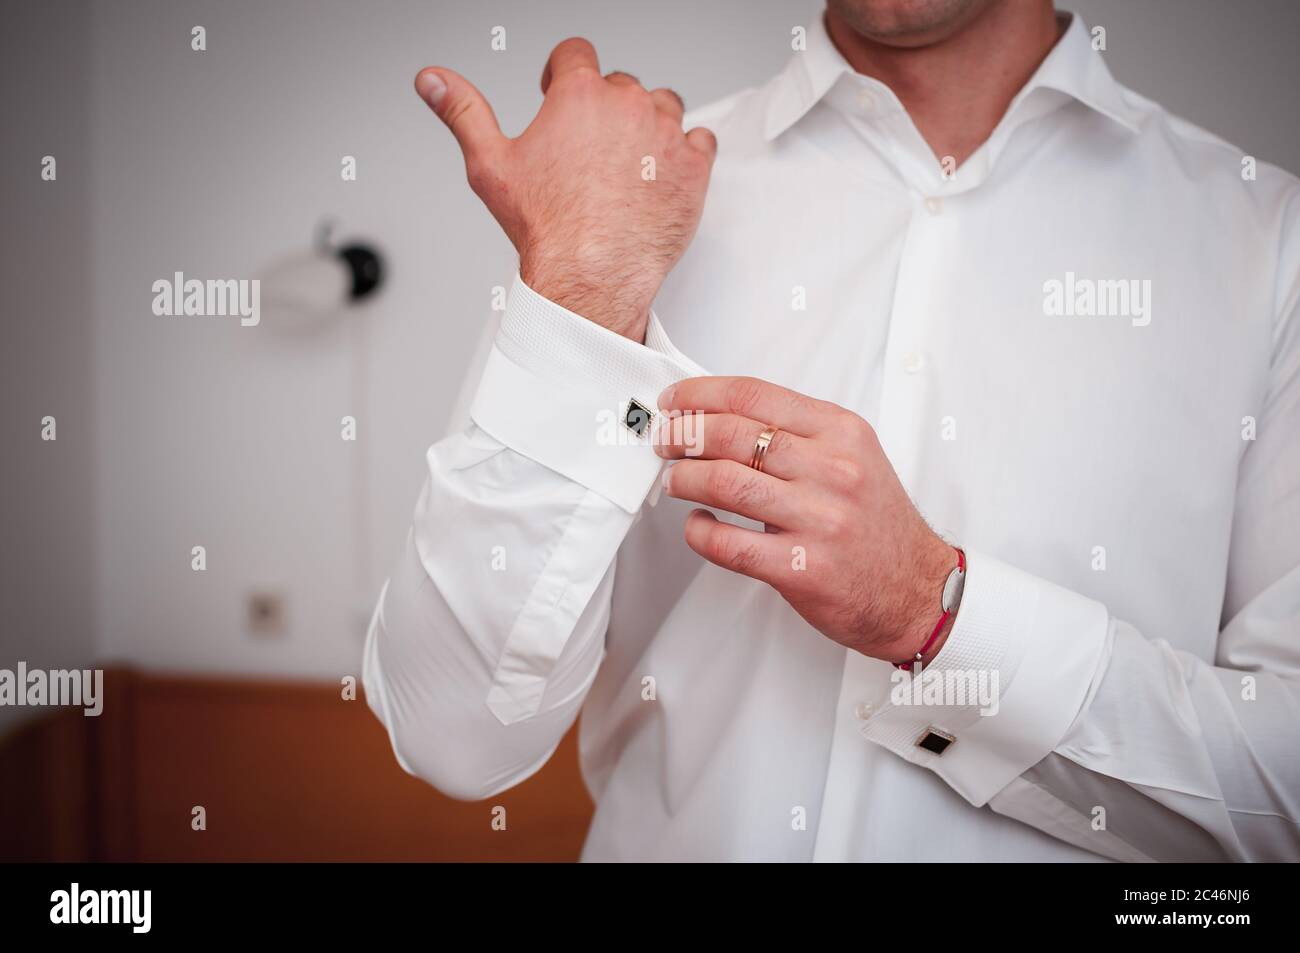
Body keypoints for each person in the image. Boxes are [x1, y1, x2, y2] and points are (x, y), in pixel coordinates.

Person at [362, 0, 1300, 861]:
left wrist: (937, 614)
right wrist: (579, 291)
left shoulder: (1267, 247)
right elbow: (453, 732)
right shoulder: (612, 201)